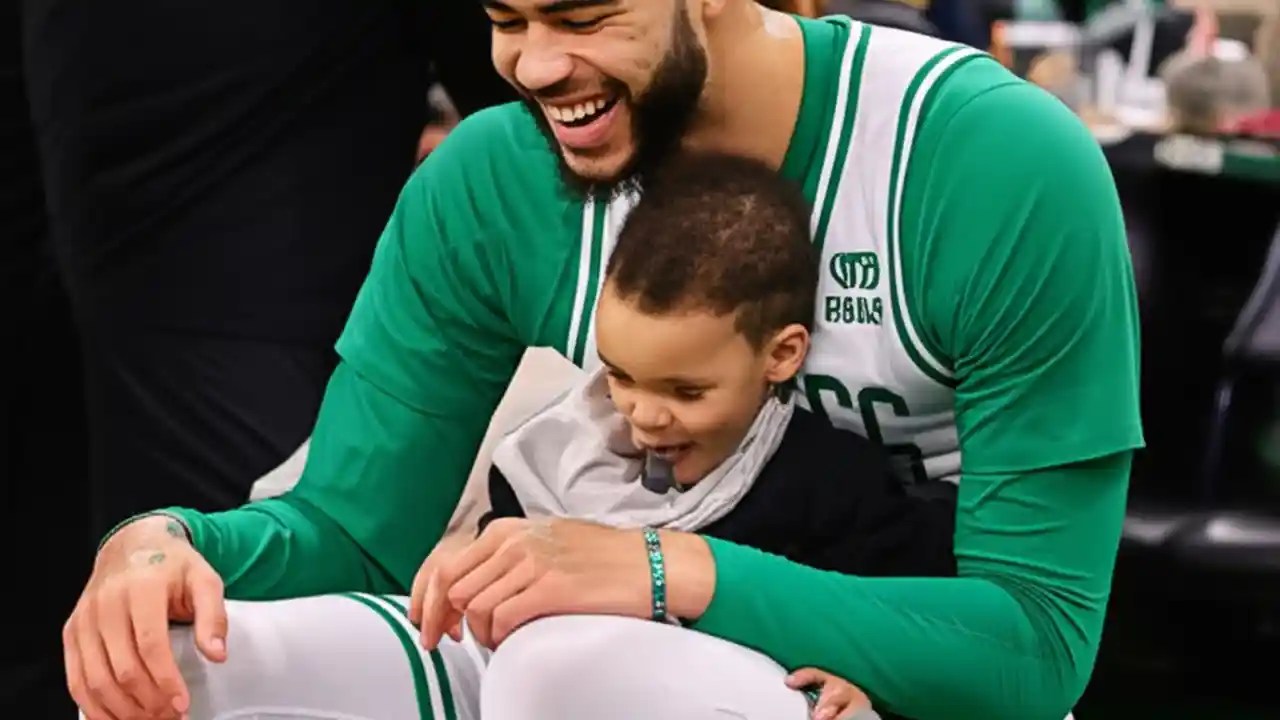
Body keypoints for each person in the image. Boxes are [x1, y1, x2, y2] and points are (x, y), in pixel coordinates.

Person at [65, 2, 1143, 720]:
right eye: (506, 18)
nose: (534, 66)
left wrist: (667, 570)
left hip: (889, 677)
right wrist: (167, 545)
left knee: (566, 667)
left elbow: (1037, 648)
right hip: (598, 640)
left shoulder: (987, 158)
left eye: (581, 16)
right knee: (173, 671)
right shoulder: (493, 177)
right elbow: (352, 534)